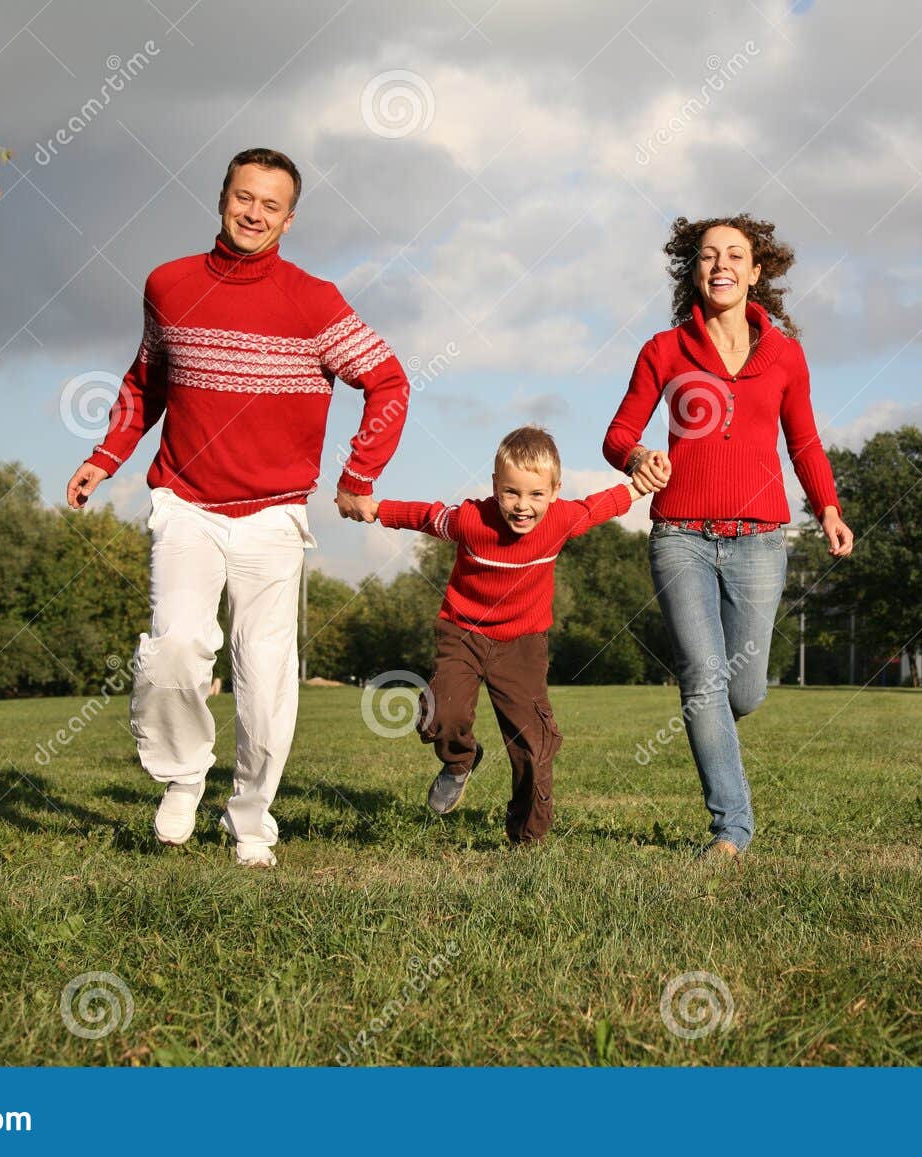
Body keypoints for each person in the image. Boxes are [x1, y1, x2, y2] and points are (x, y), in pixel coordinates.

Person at [65, 147, 410, 868]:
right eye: (242, 197)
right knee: (175, 647)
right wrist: (105, 456)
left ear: (290, 217)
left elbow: (388, 380)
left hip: (273, 514)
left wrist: (359, 472)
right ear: (222, 196)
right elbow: (145, 381)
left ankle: (251, 817)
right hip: (185, 502)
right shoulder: (169, 283)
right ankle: (184, 774)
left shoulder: (314, 300)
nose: (253, 213)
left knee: (265, 677)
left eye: (270, 204)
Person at [602, 214, 854, 862]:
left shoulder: (784, 355)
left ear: (756, 270)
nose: (722, 265)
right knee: (705, 680)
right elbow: (618, 433)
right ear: (693, 268)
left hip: (762, 540)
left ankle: (708, 724)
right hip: (680, 535)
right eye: (709, 255)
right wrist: (636, 458)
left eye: (735, 255)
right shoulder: (665, 349)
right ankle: (731, 829)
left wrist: (827, 506)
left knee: (744, 691)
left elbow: (803, 440)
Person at [370, 426, 659, 845]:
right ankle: (459, 761)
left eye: (536, 495)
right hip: (462, 632)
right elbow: (423, 515)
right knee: (442, 712)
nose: (522, 507)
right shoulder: (471, 519)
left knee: (533, 744)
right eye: (511, 493)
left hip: (522, 644)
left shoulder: (562, 519)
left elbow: (602, 505)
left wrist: (640, 484)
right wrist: (373, 507)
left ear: (555, 491)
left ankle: (527, 837)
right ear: (494, 487)